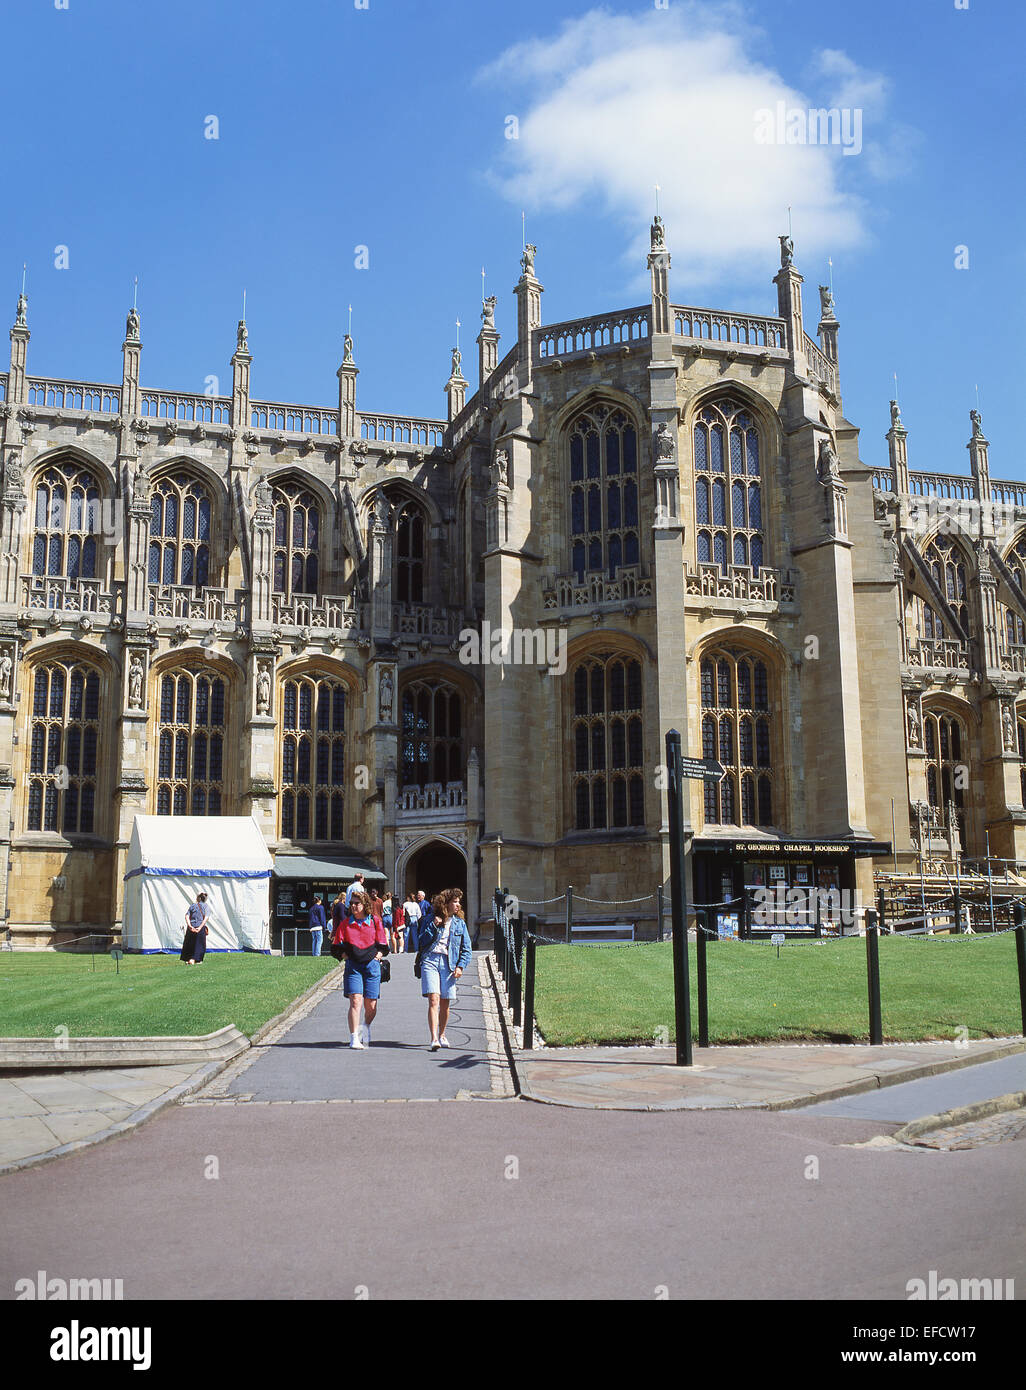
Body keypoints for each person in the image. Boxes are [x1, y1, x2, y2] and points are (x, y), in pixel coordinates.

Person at [415, 887, 472, 1051]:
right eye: (454, 902)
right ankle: (434, 1038)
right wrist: (433, 926)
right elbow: (421, 941)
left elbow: (466, 949)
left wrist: (461, 966)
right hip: (430, 960)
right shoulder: (429, 919)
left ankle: (442, 1034)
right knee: (434, 999)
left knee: (445, 1002)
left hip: (449, 963)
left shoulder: (460, 924)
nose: (458, 905)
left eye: (458, 902)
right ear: (445, 904)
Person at [332, 889, 389, 1048]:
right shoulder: (346, 923)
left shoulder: (374, 921)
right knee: (356, 1001)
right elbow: (336, 945)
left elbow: (383, 944)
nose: (353, 906)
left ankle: (366, 1026)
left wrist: (378, 955)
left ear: (364, 905)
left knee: (371, 1005)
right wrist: (344, 955)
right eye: (351, 903)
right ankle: (354, 1037)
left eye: (357, 903)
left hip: (371, 966)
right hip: (354, 966)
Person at [180, 892, 209, 964]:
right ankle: (196, 960)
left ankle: (189, 958)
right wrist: (200, 927)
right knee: (200, 945)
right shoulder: (206, 906)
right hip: (200, 927)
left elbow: (186, 916)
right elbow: (206, 918)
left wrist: (189, 925)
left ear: (198, 898)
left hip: (191, 926)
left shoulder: (193, 906)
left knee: (189, 943)